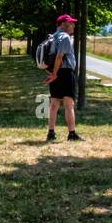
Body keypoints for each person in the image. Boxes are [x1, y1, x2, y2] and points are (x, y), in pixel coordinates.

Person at [45, 14, 81, 142]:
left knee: (54, 104)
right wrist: (55, 74)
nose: (73, 25)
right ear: (63, 24)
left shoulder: (52, 37)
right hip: (65, 72)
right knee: (69, 104)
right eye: (71, 23)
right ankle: (72, 134)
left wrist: (52, 73)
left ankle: (51, 132)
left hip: (55, 72)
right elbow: (60, 56)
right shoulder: (65, 37)